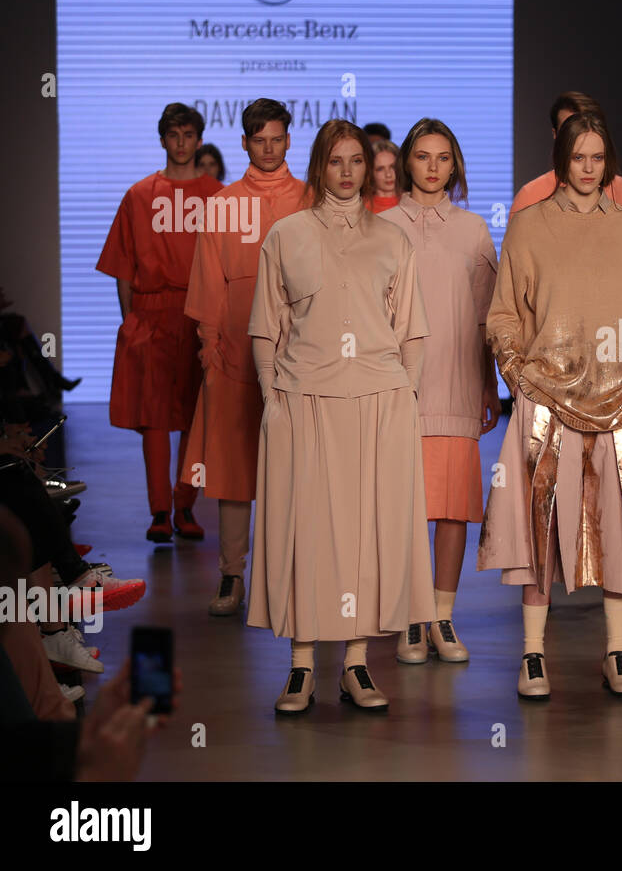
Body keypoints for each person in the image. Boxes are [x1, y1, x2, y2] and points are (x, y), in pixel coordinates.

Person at [478, 113, 622, 700]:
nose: (588, 168)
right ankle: (532, 655)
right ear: (562, 161)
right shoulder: (527, 225)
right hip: (546, 395)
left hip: (621, 399)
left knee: (621, 526)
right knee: (539, 529)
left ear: (609, 164)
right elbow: (502, 310)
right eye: (579, 158)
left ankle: (618, 652)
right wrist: (516, 371)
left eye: (598, 158)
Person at [247, 119, 434, 714]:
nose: (349, 172)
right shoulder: (286, 235)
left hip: (378, 402)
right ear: (319, 167)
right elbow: (263, 327)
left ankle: (355, 664)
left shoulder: (392, 240)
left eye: (357, 161)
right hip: (305, 400)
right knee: (308, 530)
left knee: (366, 535)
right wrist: (273, 399)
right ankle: (301, 666)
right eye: (337, 162)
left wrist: (405, 396)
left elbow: (412, 330)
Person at [380, 119, 499, 663]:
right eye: (423, 156)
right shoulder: (382, 225)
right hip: (399, 385)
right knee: (403, 505)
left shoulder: (474, 229)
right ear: (407, 162)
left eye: (443, 157)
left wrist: (488, 384)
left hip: (457, 380)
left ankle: (442, 617)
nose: (432, 167)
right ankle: (410, 614)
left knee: (452, 506)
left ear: (455, 165)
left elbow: (485, 316)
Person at [184, 98, 306, 617]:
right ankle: (232, 575)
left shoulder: (309, 197)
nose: (270, 148)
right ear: (244, 143)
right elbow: (209, 274)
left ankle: (298, 574)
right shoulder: (223, 203)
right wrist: (209, 345)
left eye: (278, 139)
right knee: (233, 468)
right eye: (260, 140)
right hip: (234, 343)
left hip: (301, 346)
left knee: (300, 465)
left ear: (289, 140)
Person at [96, 103, 223, 542]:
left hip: (198, 312)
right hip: (150, 314)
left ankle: (184, 505)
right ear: (163, 139)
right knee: (152, 418)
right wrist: (130, 322)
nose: (182, 142)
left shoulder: (218, 195)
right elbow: (125, 266)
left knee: (194, 416)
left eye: (189, 134)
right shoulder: (138, 195)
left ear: (199, 139)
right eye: (174, 134)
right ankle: (158, 512)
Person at [509, 92, 622, 217]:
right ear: (555, 134)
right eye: (571, 130)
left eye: (588, 128)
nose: (581, 138)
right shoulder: (530, 196)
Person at [369, 138, 402, 213]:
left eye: (392, 167)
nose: (388, 174)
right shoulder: (361, 209)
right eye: (380, 169)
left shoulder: (414, 202)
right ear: (371, 173)